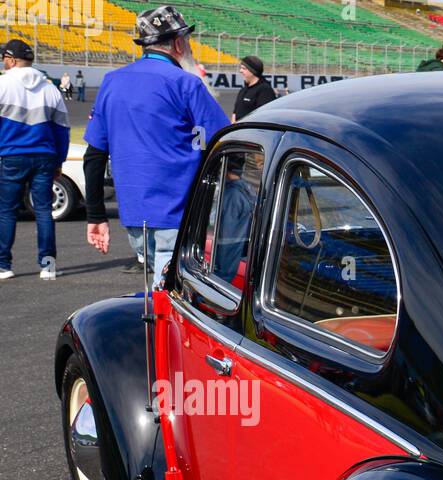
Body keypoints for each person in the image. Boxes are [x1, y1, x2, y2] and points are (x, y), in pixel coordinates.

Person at [82, 6, 227, 287]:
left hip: (135, 216)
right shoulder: (187, 83)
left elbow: (94, 156)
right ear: (178, 43)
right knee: (172, 301)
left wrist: (96, 216)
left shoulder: (111, 82)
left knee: (157, 294)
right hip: (179, 214)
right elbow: (222, 141)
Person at [0, 39, 69, 281]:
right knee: (43, 211)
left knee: (6, 211)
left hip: (11, 155)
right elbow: (62, 128)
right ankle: (48, 265)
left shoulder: (2, 84)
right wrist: (59, 160)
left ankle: (3, 265)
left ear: (10, 59)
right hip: (44, 156)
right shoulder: (50, 87)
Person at [232, 55, 275, 121]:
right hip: (239, 130)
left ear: (252, 71)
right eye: (240, 68)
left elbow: (264, 117)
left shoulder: (265, 90)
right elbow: (235, 113)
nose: (240, 71)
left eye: (243, 68)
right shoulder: (243, 90)